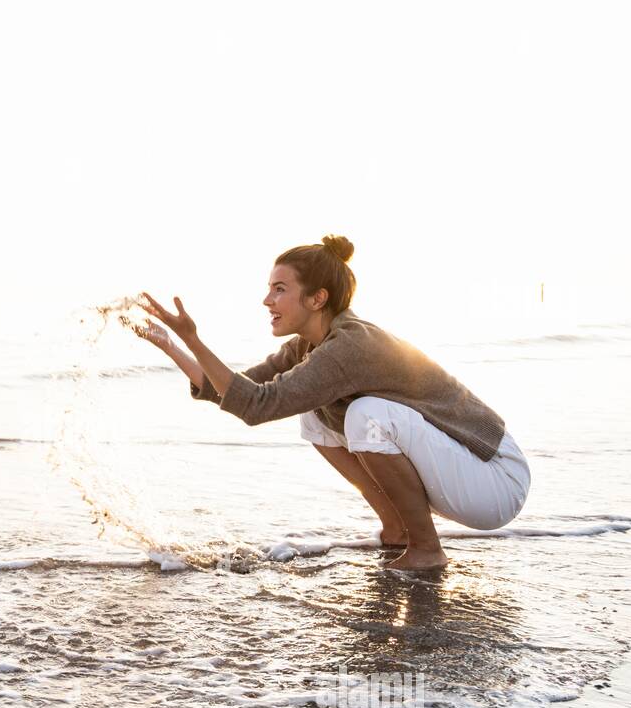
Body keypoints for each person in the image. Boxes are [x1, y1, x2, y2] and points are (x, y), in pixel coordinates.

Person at [131, 234, 530, 570]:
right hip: (464, 475)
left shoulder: (351, 345)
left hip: (493, 477)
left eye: (280, 289)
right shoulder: (307, 346)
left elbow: (254, 407)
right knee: (316, 416)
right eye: (270, 288)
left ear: (318, 298)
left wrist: (194, 338)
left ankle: (427, 549)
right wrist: (171, 343)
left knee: (365, 415)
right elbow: (236, 392)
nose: (267, 300)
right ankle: (398, 529)